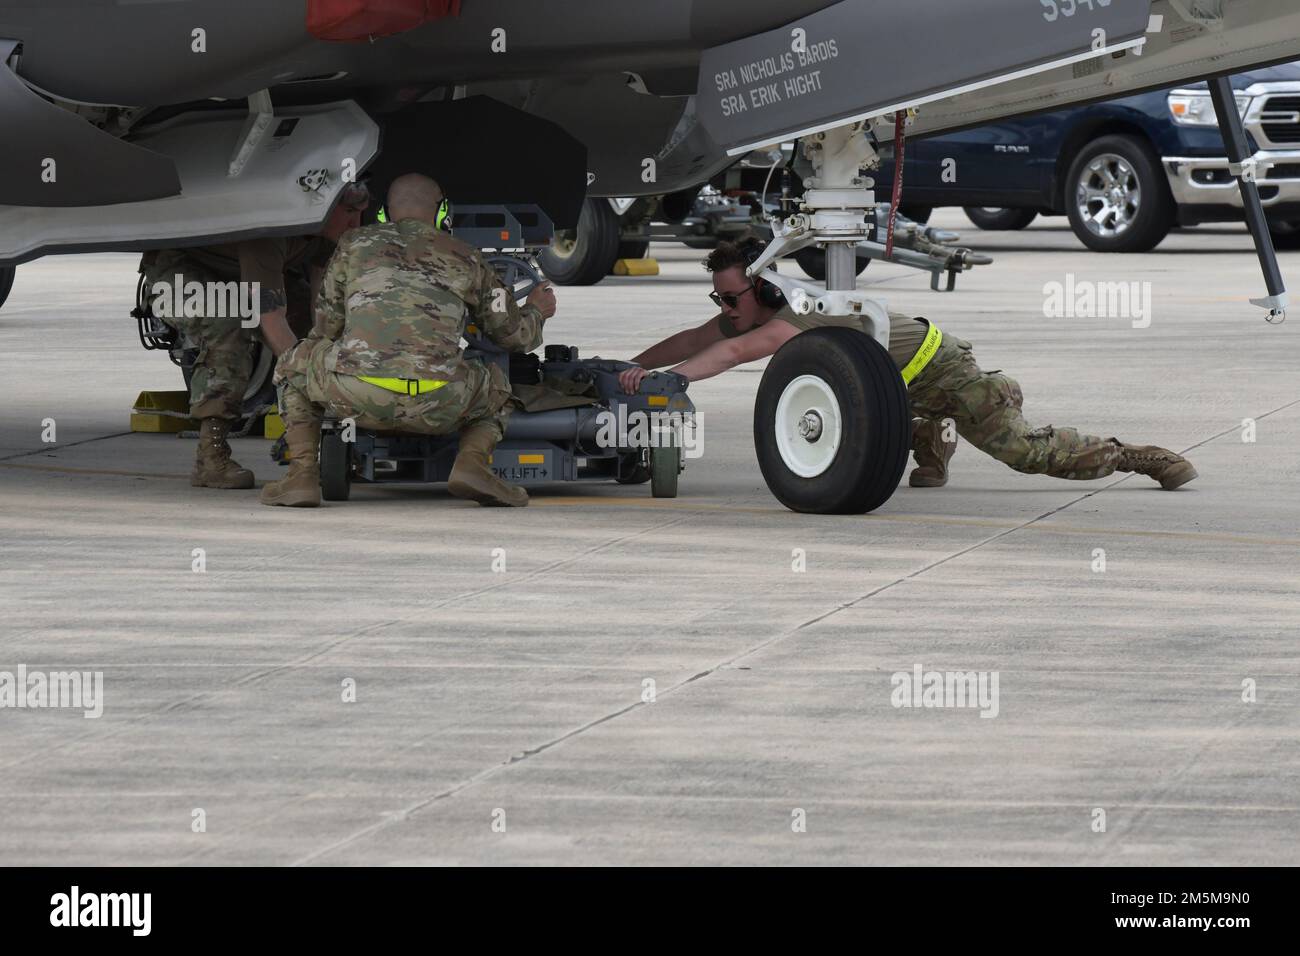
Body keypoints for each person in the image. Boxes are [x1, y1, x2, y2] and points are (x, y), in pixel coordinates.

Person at [619, 238, 1197, 491]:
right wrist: (630, 368)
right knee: (885, 415)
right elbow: (694, 338)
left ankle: (1138, 456)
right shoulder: (748, 312)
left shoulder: (791, 316)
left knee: (1026, 454)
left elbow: (734, 353)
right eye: (719, 298)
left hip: (945, 373)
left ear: (765, 291)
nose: (724, 309)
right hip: (903, 383)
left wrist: (675, 380)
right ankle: (934, 440)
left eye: (731, 298)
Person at [261, 173, 557, 509]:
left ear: (384, 213)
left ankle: (301, 476)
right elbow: (513, 336)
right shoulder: (467, 255)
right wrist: (535, 310)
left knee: (292, 365)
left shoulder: (353, 245)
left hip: (359, 395)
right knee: (497, 385)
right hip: (442, 401)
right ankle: (472, 463)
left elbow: (326, 328)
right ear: (443, 212)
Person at [139, 184, 370, 489]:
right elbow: (270, 316)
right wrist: (305, 374)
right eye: (349, 213)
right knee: (229, 325)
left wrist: (323, 351)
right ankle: (211, 457)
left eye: (361, 213)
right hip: (179, 272)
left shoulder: (324, 232)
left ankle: (311, 441)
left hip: (243, 273)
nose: (356, 224)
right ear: (322, 205)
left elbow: (321, 305)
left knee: (311, 331)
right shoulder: (269, 232)